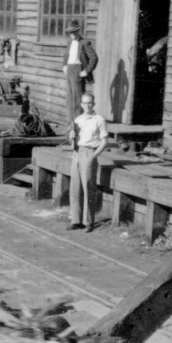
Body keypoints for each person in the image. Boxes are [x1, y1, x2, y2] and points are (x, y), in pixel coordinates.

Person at [67, 91, 109, 231]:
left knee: (88, 188)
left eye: (90, 102)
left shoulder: (99, 119)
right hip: (77, 153)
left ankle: (88, 222)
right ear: (81, 104)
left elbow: (104, 142)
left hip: (89, 153)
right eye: (84, 103)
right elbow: (72, 143)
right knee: (75, 187)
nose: (87, 105)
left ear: (94, 103)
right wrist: (71, 137)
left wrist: (94, 155)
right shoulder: (78, 119)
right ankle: (75, 220)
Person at [62, 20, 98, 126]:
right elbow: (66, 55)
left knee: (77, 98)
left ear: (78, 30)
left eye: (74, 31)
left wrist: (86, 71)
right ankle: (70, 123)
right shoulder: (69, 42)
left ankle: (78, 123)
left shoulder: (84, 42)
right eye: (70, 32)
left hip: (77, 70)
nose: (72, 34)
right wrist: (64, 65)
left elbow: (94, 58)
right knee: (69, 98)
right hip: (69, 69)